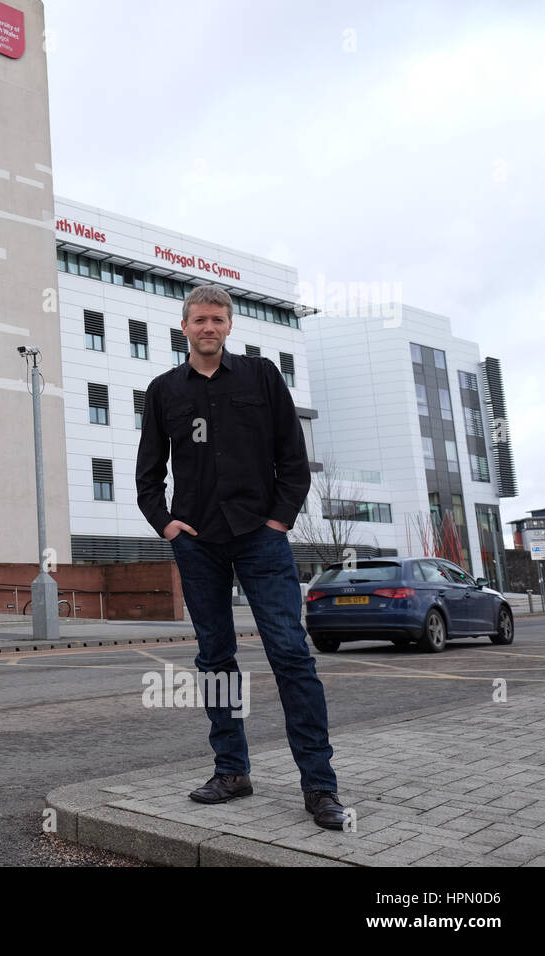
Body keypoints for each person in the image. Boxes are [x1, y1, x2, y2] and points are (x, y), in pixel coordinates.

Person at [134, 283, 347, 831]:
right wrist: (167, 525)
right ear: (184, 327)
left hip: (260, 535)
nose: (208, 327)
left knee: (289, 653)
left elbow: (292, 459)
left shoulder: (261, 376)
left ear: (230, 327)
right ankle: (232, 772)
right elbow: (147, 474)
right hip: (198, 541)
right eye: (199, 319)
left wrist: (278, 520)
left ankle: (319, 786)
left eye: (218, 319)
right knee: (215, 658)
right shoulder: (163, 391)